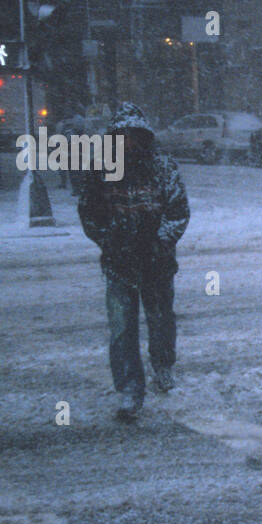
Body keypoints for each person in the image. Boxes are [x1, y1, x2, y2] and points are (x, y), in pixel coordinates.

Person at [77, 102, 190, 422]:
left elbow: (178, 211)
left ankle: (163, 365)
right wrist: (110, 243)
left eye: (133, 136)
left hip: (156, 262)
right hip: (119, 263)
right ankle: (129, 388)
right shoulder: (100, 171)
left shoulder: (163, 167)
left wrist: (160, 243)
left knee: (160, 319)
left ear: (144, 137)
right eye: (121, 136)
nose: (127, 142)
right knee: (122, 328)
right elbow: (90, 214)